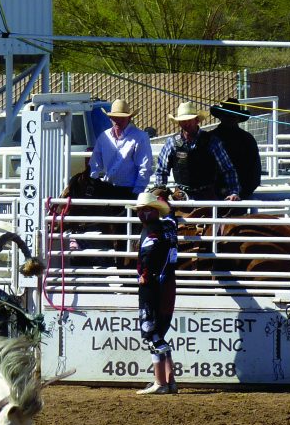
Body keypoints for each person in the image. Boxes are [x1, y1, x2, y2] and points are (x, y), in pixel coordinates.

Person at [129, 191, 178, 395]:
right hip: (168, 283)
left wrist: (145, 275)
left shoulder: (151, 231)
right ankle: (169, 380)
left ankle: (160, 382)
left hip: (153, 285)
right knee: (161, 332)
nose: (142, 214)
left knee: (152, 333)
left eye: (145, 210)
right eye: (141, 210)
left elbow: (148, 255)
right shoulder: (169, 226)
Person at [154, 101, 241, 201]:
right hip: (180, 196)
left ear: (196, 120)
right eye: (183, 121)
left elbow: (228, 169)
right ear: (178, 123)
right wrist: (160, 191)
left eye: (189, 120)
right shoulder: (172, 143)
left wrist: (233, 192)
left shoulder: (212, 141)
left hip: (207, 195)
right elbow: (161, 171)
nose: (186, 124)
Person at [88, 99, 153, 199]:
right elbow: (94, 164)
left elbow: (144, 168)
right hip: (107, 188)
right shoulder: (104, 137)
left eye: (121, 118)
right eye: (114, 118)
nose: (117, 121)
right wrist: (94, 184)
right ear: (110, 118)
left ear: (129, 118)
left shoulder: (140, 137)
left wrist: (137, 192)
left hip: (129, 190)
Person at [210, 98, 261, 200]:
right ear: (220, 116)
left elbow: (254, 172)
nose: (229, 119)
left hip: (241, 195)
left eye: (232, 116)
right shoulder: (209, 138)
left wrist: (242, 193)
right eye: (226, 115)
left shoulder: (247, 140)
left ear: (238, 118)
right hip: (212, 194)